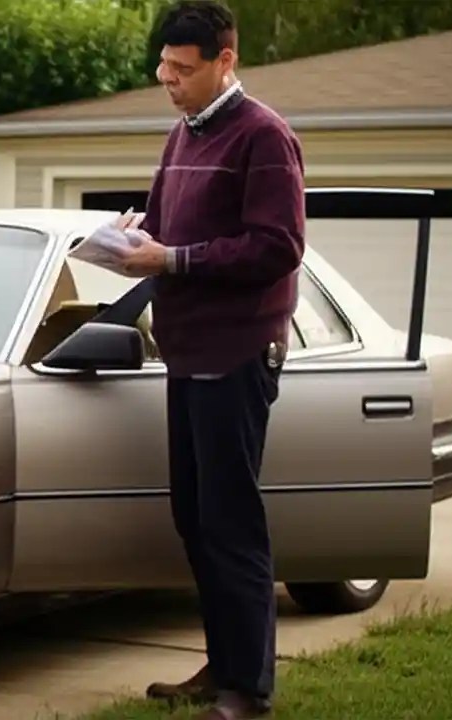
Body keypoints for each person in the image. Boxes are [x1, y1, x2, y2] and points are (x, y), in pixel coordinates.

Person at [117, 2, 306, 719]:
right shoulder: (181, 135)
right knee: (194, 518)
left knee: (231, 521)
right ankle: (220, 664)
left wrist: (175, 257)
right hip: (185, 353)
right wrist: (130, 237)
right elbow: (166, 231)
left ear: (225, 60)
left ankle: (247, 692)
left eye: (183, 69)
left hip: (236, 354)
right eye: (164, 65)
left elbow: (277, 245)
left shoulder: (265, 137)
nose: (168, 79)